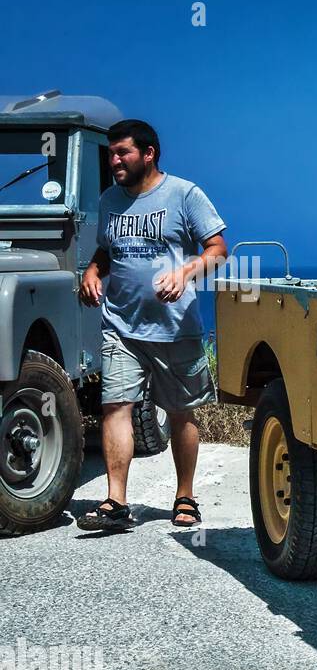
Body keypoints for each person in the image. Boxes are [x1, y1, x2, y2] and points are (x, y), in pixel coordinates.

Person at [76, 119, 228, 531]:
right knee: (115, 407)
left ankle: (185, 497)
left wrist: (185, 273)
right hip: (121, 326)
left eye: (122, 152)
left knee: (181, 413)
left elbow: (218, 250)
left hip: (175, 329)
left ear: (149, 153)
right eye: (111, 153)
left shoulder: (184, 194)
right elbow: (108, 251)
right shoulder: (110, 199)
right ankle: (115, 501)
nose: (114, 160)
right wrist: (92, 271)